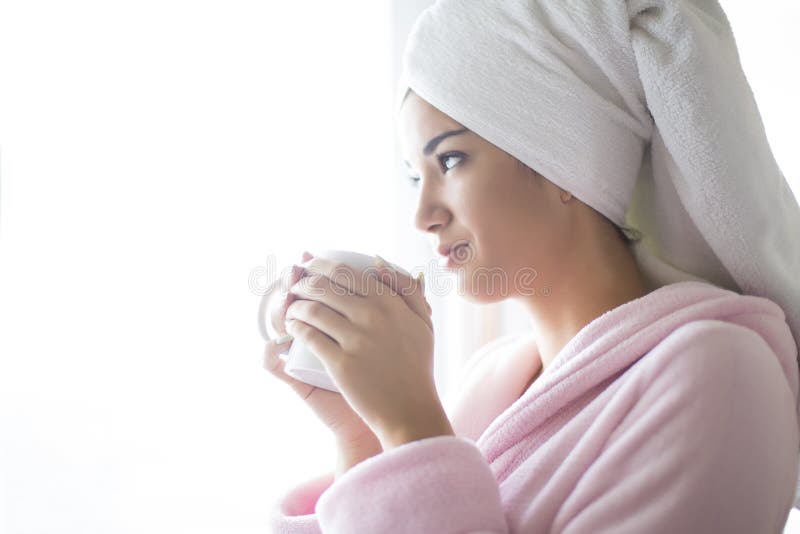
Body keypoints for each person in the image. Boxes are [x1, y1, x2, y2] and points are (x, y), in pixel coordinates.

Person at [264, 1, 800, 532]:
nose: (422, 216)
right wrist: (364, 437)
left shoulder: (719, 374)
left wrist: (410, 427)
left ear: (561, 154)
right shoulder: (490, 382)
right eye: (414, 176)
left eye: (449, 160)